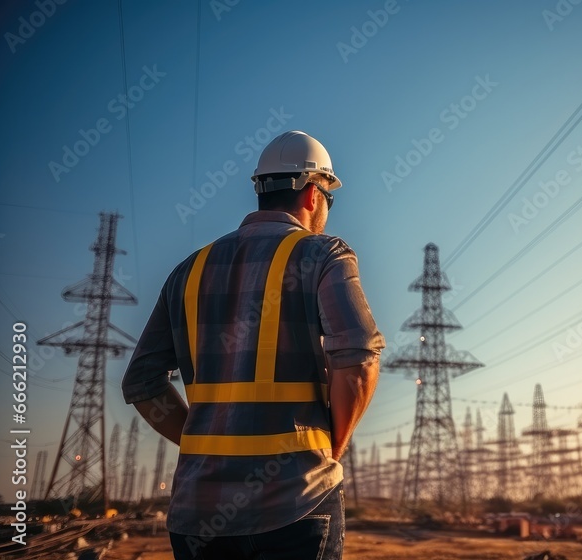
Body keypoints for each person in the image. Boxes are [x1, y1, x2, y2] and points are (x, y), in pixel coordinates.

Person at [121, 130, 385, 559]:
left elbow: (142, 383)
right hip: (296, 504)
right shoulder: (324, 254)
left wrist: (202, 439)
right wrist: (332, 449)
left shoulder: (188, 271)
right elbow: (357, 359)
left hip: (198, 517)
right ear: (313, 195)